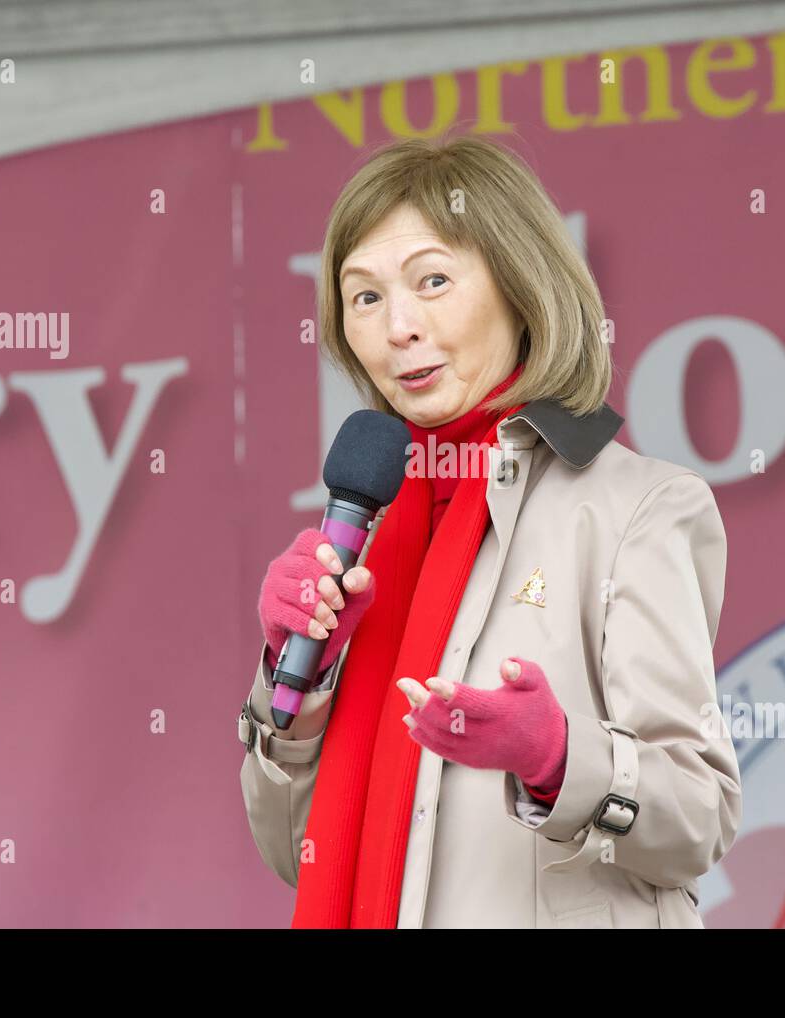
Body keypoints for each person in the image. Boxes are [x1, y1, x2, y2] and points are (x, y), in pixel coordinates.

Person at [238, 134, 741, 928]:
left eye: (432, 280)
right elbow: (290, 848)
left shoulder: (640, 506)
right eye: (364, 297)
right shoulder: (365, 529)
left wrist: (557, 756)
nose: (397, 327)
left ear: (520, 286)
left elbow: (700, 819)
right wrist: (296, 683)